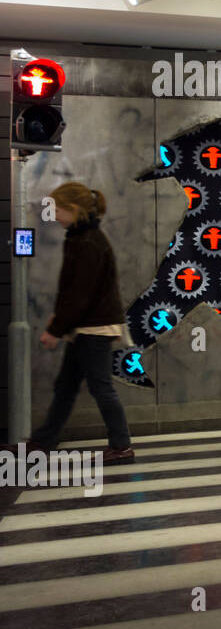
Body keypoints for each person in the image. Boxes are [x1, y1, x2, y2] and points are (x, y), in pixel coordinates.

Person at [28, 183, 134, 463]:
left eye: (57, 210)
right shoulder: (79, 237)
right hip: (86, 326)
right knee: (67, 385)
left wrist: (55, 329)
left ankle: (121, 445)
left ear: (73, 210)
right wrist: (59, 320)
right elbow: (73, 291)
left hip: (94, 327)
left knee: (100, 385)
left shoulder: (88, 242)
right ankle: (43, 440)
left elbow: (80, 294)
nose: (54, 216)